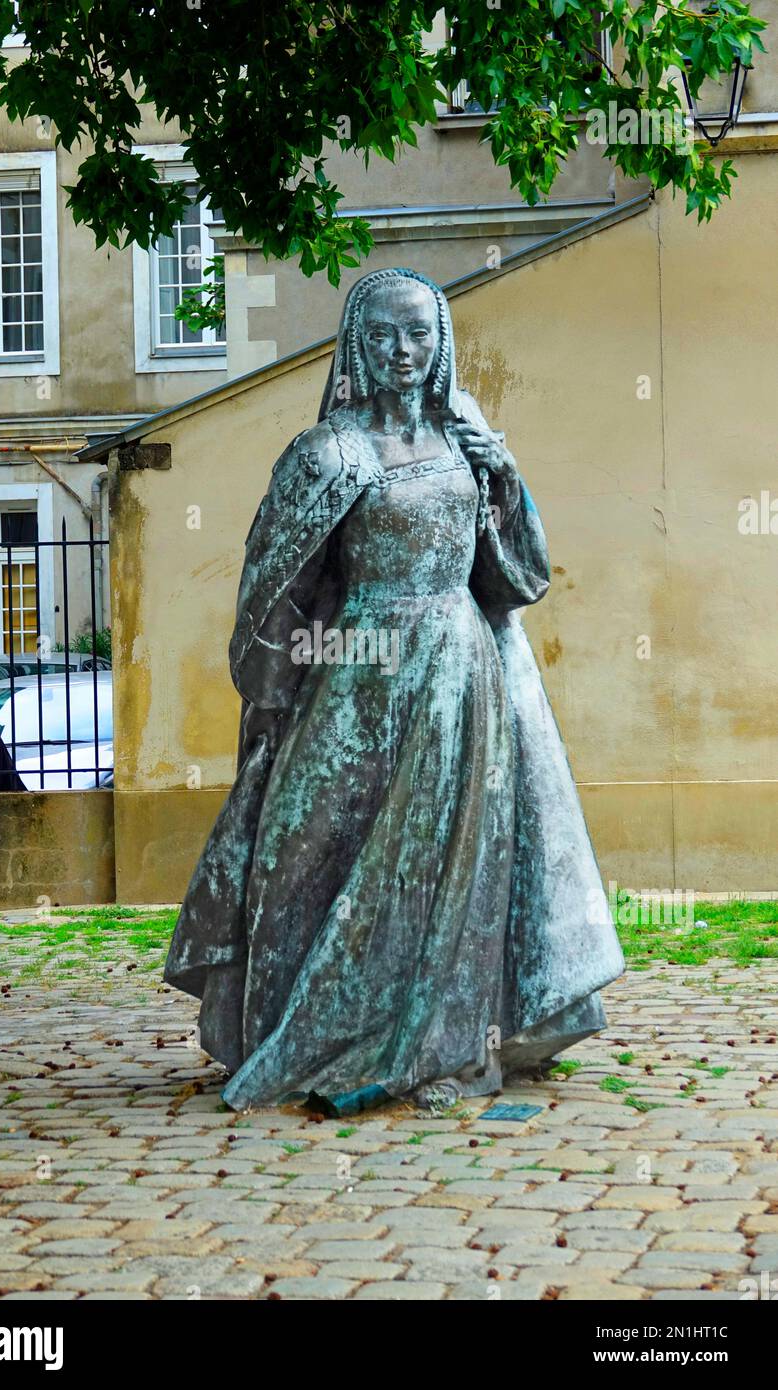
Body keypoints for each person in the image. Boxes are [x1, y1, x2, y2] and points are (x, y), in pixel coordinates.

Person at [164, 267, 624, 1115]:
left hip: (459, 673)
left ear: (440, 340)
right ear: (357, 346)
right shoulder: (328, 453)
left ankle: (445, 1043)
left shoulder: (466, 442)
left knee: (458, 866)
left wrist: (507, 479)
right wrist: (287, 676)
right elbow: (276, 585)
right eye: (383, 334)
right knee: (311, 852)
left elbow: (518, 577)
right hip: (360, 678)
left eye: (418, 332)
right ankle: (302, 1027)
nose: (402, 350)